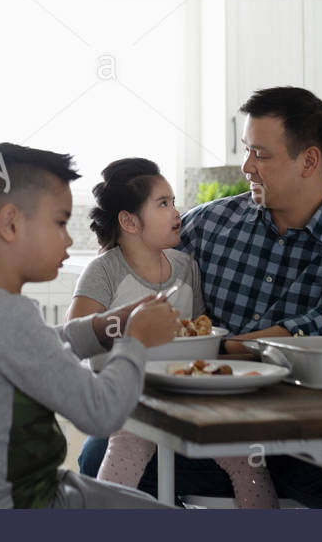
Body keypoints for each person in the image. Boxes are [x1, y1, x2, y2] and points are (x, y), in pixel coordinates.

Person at [81, 86, 322, 506]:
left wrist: (229, 347)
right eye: (247, 150)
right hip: (211, 433)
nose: (246, 166)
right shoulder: (209, 224)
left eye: (260, 155)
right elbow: (130, 262)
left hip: (311, 438)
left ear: (310, 160)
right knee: (100, 451)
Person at [0, 142, 183, 508]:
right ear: (11, 223)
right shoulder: (9, 319)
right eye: (60, 222)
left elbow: (41, 345)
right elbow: (102, 412)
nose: (69, 238)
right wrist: (135, 340)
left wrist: (107, 325)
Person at [67, 158, 279, 508]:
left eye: (173, 201)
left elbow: (197, 333)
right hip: (130, 398)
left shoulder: (185, 267)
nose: (176, 211)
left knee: (245, 457)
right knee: (128, 449)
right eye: (163, 203)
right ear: (129, 221)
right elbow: (80, 341)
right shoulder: (103, 271)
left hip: (184, 396)